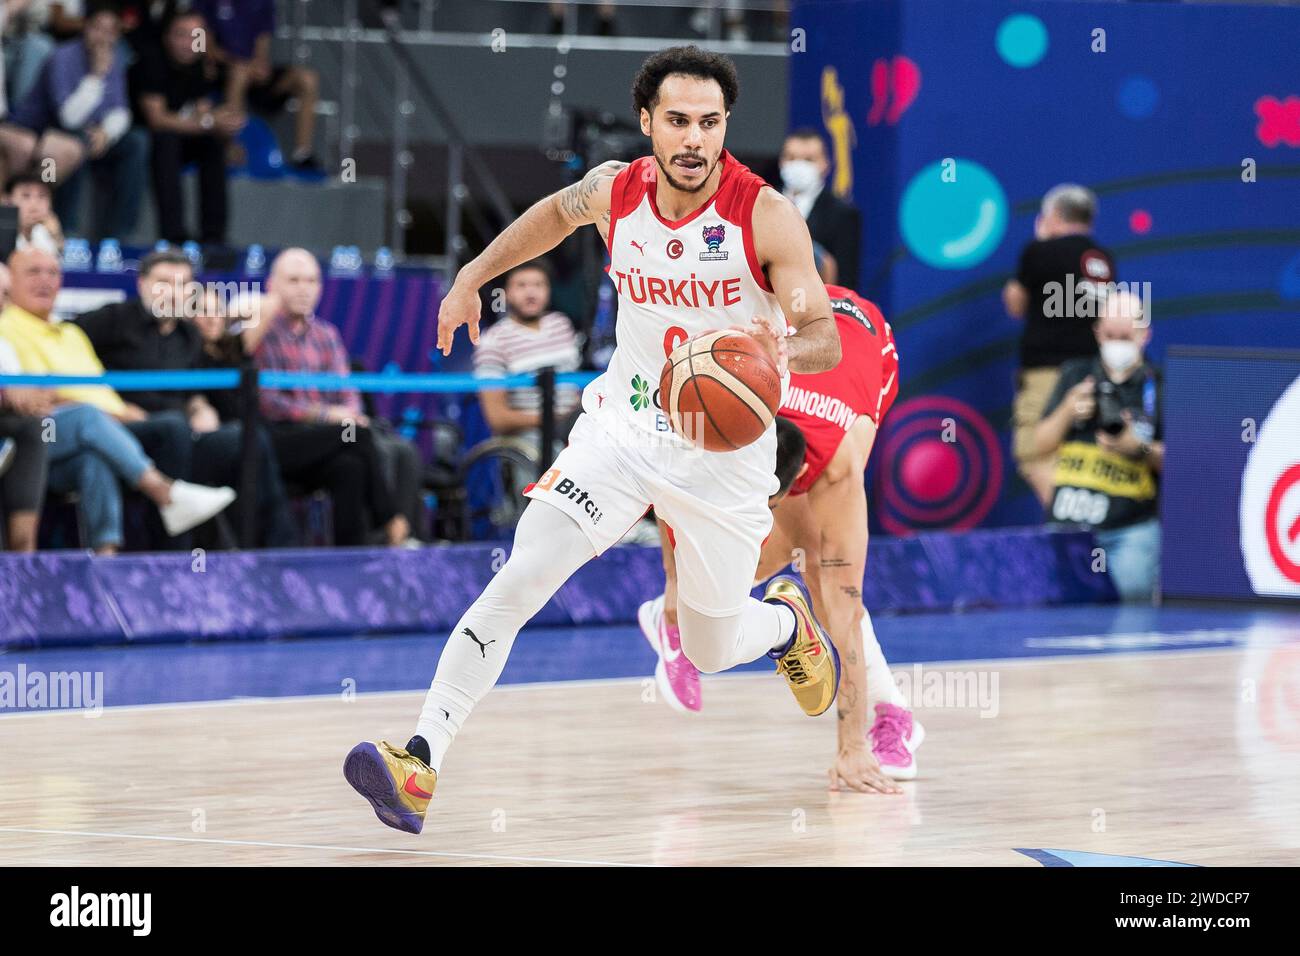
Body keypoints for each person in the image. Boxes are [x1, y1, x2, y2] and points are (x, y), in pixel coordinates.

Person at [344, 45, 844, 834]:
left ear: (725, 128)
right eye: (677, 121)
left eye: (710, 123)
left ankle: (785, 620)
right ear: (647, 122)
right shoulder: (617, 190)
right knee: (520, 579)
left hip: (723, 457)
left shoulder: (765, 214)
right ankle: (420, 759)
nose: (694, 139)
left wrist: (785, 351)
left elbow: (825, 336)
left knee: (710, 648)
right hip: (625, 426)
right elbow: (551, 216)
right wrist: (473, 275)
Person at [640, 284, 922, 790]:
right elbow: (673, 481)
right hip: (790, 343)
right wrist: (674, 587)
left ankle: (888, 717)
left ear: (781, 490)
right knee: (776, 549)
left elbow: (844, 611)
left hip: (867, 344)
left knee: (827, 581)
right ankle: (672, 609)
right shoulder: (730, 397)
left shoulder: (839, 473)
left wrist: (849, 749)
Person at [0, 246, 235, 552]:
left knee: (94, 459)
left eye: (53, 273)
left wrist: (125, 410)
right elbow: (37, 401)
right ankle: (165, 495)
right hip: (45, 433)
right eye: (33, 272)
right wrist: (113, 415)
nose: (44, 280)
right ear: (10, 281)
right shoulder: (6, 328)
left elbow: (97, 390)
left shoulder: (71, 333)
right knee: (91, 418)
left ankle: (107, 560)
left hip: (96, 433)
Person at [73, 248, 295, 547]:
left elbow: (193, 393)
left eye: (182, 285)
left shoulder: (190, 335)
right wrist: (115, 408)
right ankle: (172, 557)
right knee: (173, 428)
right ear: (142, 285)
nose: (174, 293)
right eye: (163, 283)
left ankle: (271, 553)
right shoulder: (112, 319)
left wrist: (200, 407)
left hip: (181, 433)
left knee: (244, 438)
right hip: (124, 430)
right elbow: (60, 349)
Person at [255, 247, 412, 547]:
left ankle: (350, 557)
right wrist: (327, 416)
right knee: (358, 436)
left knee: (350, 465)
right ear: (272, 286)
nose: (304, 289)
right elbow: (268, 402)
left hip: (327, 438)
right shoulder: (261, 332)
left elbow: (347, 392)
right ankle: (392, 521)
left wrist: (348, 414)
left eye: (311, 281)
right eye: (294, 280)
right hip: (277, 438)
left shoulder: (325, 334)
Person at [1034, 290, 1161, 602]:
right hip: (1068, 528)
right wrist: (1067, 409)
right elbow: (1039, 444)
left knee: (1131, 616)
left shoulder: (1159, 384)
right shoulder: (1075, 374)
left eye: (1125, 336)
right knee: (1057, 619)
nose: (1116, 343)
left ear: (1145, 334)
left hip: (1129, 529)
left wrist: (1138, 447)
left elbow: (1184, 465)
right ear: (1097, 332)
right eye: (1109, 335)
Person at [1003, 183, 1116, 507]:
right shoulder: (1102, 259)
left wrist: (1040, 241)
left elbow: (1015, 304)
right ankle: (1084, 534)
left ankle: (1073, 526)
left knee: (1033, 453)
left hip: (1047, 375)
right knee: (1081, 456)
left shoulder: (1040, 251)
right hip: (1093, 374)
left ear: (1053, 216)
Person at [0, 0, 146, 241]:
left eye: (111, 31)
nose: (103, 37)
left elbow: (121, 111)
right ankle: (67, 228)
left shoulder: (116, 56)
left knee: (137, 142)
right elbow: (68, 117)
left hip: (88, 133)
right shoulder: (63, 56)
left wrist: (106, 134)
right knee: (76, 143)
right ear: (86, 27)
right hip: (39, 133)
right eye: (98, 28)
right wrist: (97, 75)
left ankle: (120, 235)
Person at [130, 6, 237, 244]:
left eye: (195, 35)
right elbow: (157, 119)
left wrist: (220, 125)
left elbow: (202, 110)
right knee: (166, 142)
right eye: (182, 34)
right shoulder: (152, 60)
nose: (189, 42)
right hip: (144, 138)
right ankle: (173, 236)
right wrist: (207, 122)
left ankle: (213, 237)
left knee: (212, 144)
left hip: (181, 135)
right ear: (168, 36)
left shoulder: (199, 65)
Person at [193, 0, 322, 173]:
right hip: (222, 69)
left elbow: (263, 41)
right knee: (239, 73)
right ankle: (232, 145)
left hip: (250, 69)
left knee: (307, 79)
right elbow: (202, 41)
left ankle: (303, 153)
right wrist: (233, 61)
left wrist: (260, 65)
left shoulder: (262, 3)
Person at [473, 258, 581, 453]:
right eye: (521, 285)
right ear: (505, 293)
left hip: (578, 424)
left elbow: (575, 388)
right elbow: (497, 418)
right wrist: (553, 418)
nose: (531, 293)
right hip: (530, 434)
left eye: (539, 285)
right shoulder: (494, 339)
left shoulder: (561, 324)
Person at [779, 128, 861, 289]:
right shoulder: (760, 202)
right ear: (781, 162)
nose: (798, 166)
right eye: (791, 158)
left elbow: (846, 281)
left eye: (809, 160)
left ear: (825, 164)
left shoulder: (843, 214)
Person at [2, 171, 62, 253]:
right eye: (26, 195)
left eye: (42, 196)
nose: (34, 205)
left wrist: (57, 238)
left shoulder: (49, 236)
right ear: (7, 201)